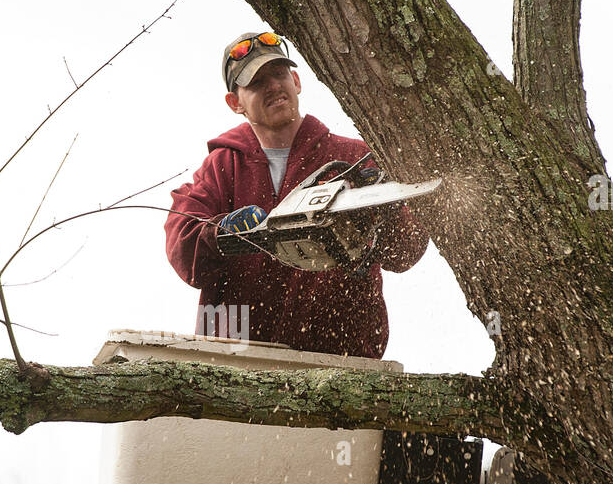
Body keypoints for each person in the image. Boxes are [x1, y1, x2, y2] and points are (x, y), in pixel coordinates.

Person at [164, 30, 430, 359]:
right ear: (235, 103)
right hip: (238, 360)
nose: (273, 85)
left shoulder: (355, 158)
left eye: (278, 74)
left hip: (342, 360)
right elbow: (181, 245)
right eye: (257, 82)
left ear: (296, 81)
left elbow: (406, 252)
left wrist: (383, 211)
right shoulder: (221, 166)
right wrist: (220, 234)